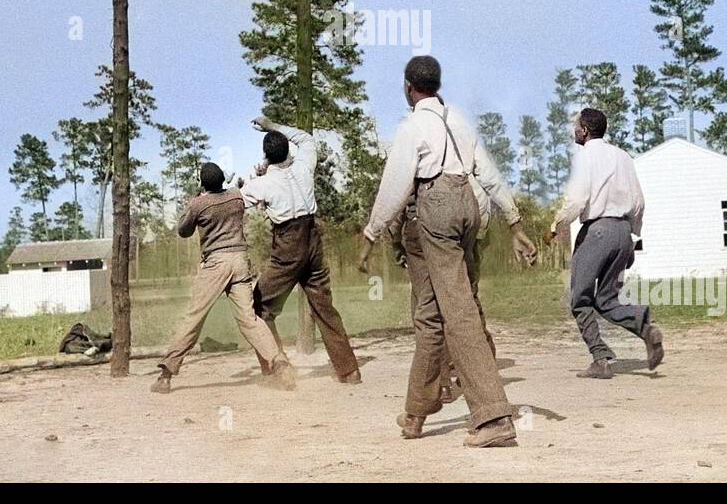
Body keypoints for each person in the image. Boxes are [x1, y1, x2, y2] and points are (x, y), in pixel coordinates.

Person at [364, 56, 521, 448]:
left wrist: (370, 233)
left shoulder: (413, 126)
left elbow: (396, 186)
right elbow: (487, 173)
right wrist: (515, 223)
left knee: (458, 311)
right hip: (467, 202)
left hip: (435, 205)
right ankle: (416, 413)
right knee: (432, 313)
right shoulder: (459, 122)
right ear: (437, 83)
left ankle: (493, 416)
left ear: (408, 87)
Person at [361, 121, 537, 407]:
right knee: (466, 303)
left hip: (429, 231)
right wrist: (513, 223)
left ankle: (441, 387)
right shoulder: (463, 152)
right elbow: (487, 193)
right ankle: (475, 376)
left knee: (431, 311)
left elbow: (396, 199)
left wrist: (386, 239)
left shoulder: (414, 143)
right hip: (468, 229)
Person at [151, 162, 296, 393]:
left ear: (202, 183)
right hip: (240, 261)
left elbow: (183, 230)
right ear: (221, 181)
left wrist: (193, 199)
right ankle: (278, 361)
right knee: (249, 319)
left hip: (215, 264)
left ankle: (166, 374)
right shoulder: (236, 198)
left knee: (194, 317)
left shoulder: (199, 203)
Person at [242, 116, 362, 383]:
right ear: (288, 150)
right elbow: (306, 139)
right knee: (324, 307)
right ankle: (349, 370)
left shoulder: (261, 183)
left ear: (266, 157)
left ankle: (277, 369)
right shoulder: (304, 165)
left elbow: (239, 200)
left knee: (258, 307)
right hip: (313, 242)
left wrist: (254, 176)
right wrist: (272, 124)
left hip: (286, 246)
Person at [547, 107, 664, 380]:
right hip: (623, 230)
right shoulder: (623, 157)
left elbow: (577, 200)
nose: (573, 130)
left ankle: (600, 360)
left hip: (596, 231)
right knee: (608, 299)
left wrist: (557, 224)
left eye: (576, 126)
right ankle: (646, 328)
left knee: (580, 299)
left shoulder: (585, 157)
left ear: (585, 131)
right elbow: (639, 201)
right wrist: (630, 235)